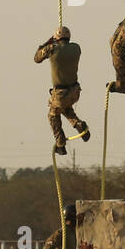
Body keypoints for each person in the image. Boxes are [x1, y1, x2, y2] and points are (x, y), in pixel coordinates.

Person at [34, 25, 90, 156]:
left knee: (52, 115)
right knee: (64, 108)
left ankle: (60, 144)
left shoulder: (52, 49)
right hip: (74, 91)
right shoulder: (76, 48)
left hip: (60, 93)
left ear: (56, 38)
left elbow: (37, 58)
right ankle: (78, 124)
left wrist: (48, 42)